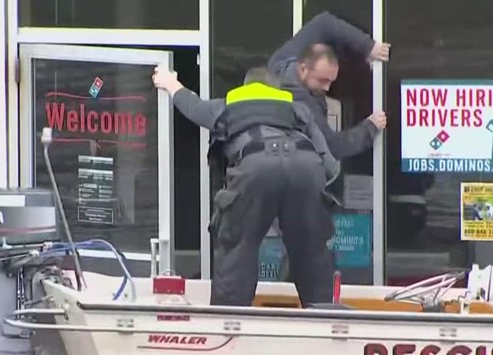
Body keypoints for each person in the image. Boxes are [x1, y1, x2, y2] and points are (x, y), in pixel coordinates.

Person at [151, 65, 379, 307]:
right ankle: (324, 317)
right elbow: (331, 166)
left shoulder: (227, 106)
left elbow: (193, 106)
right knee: (311, 251)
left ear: (246, 87)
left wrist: (168, 81)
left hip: (253, 165)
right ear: (276, 89)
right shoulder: (298, 110)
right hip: (306, 168)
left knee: (238, 247)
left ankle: (229, 323)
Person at [266, 11, 390, 158]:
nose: (327, 88)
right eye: (322, 80)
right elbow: (333, 148)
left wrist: (368, 46)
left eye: (331, 81)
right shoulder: (302, 102)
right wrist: (371, 127)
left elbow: (324, 23)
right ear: (303, 69)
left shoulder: (281, 60)